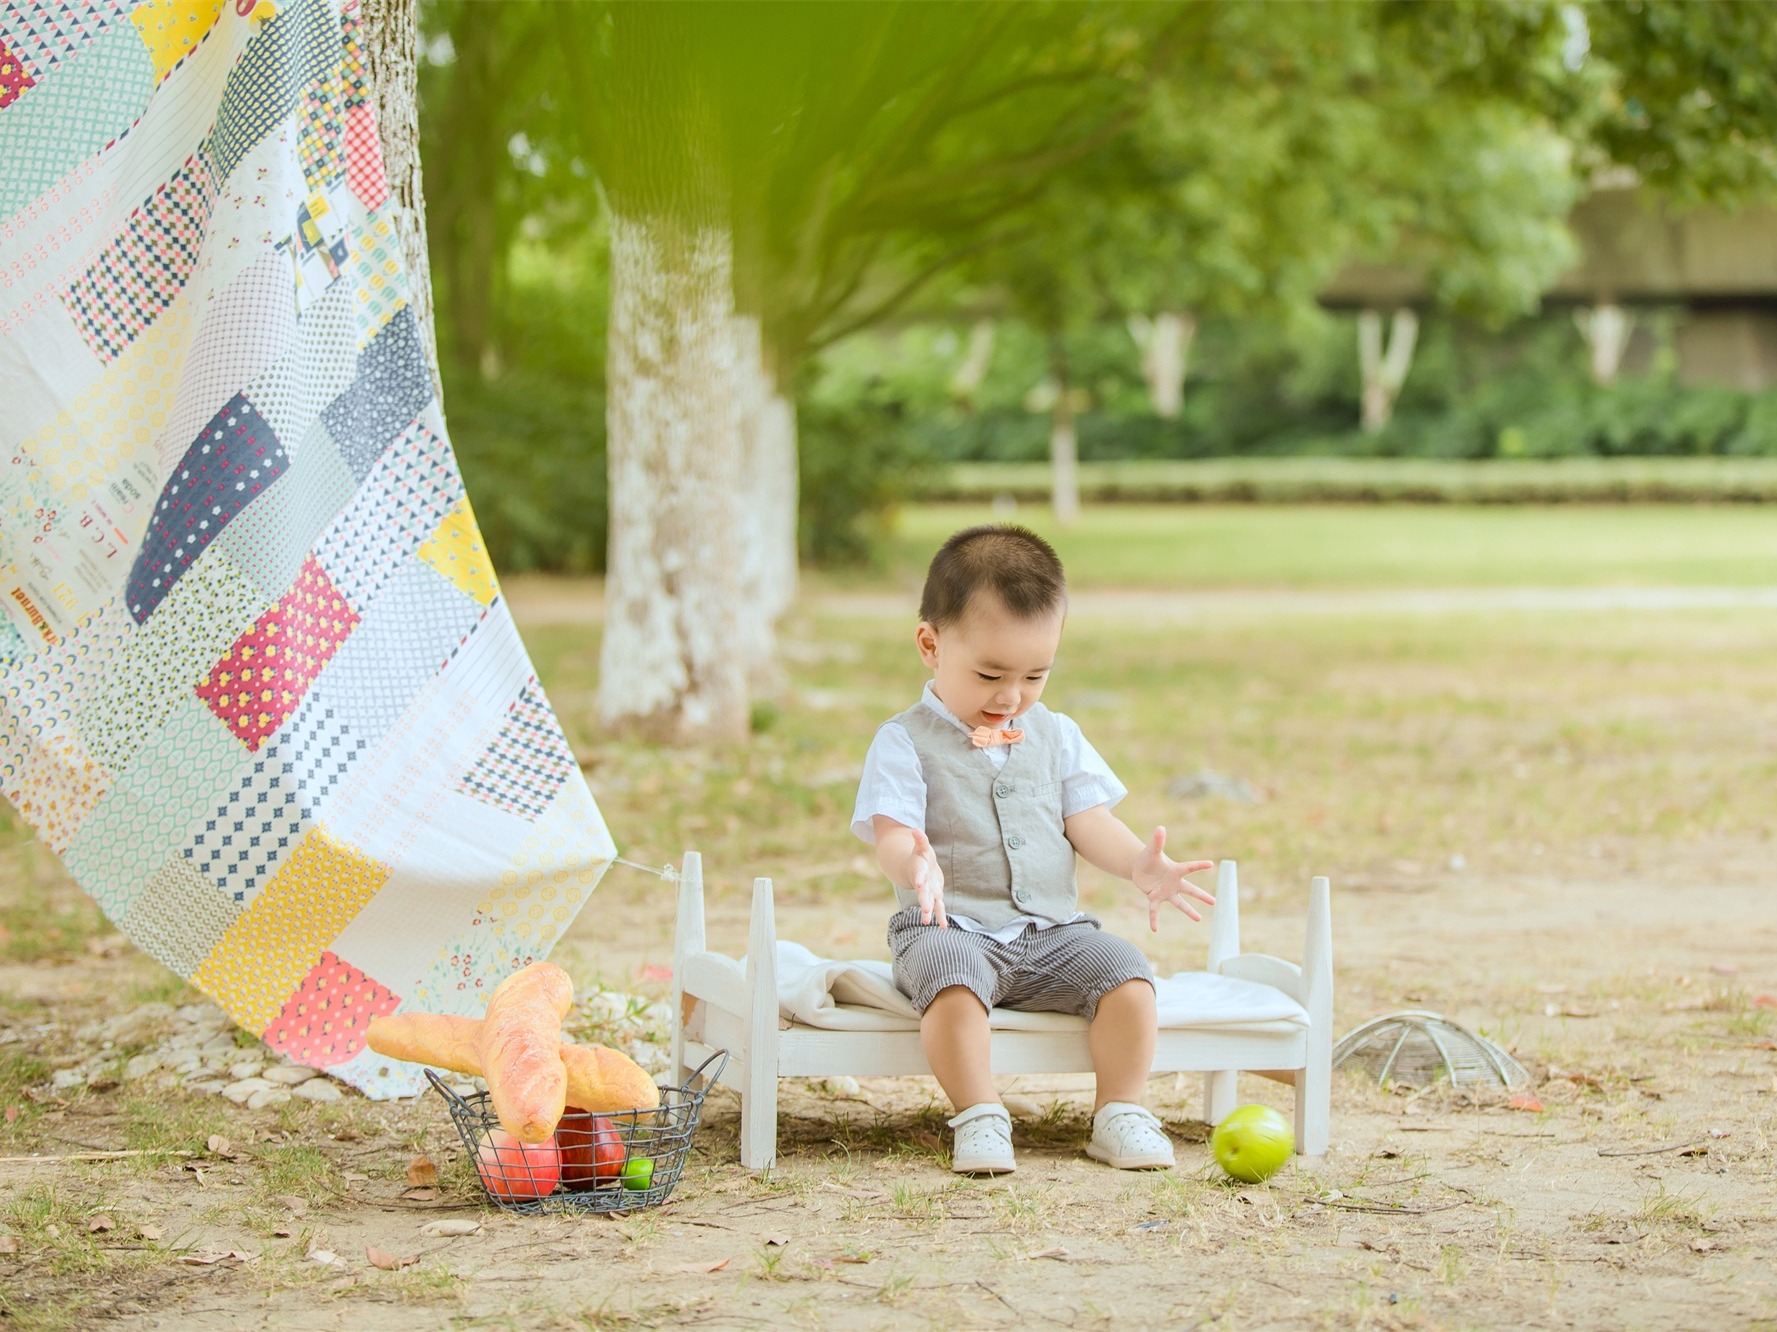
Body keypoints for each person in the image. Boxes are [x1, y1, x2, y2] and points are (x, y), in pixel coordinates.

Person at [851, 523, 1216, 1175]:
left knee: (1127, 974)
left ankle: (1120, 1111)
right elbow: (891, 832)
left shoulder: (1055, 733)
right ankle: (980, 1113)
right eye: (989, 674)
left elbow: (1087, 818)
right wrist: (916, 862)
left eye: (1034, 675)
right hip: (948, 924)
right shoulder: (903, 741)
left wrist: (1139, 863)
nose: (1010, 697)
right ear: (930, 645)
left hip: (1050, 930)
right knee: (953, 985)